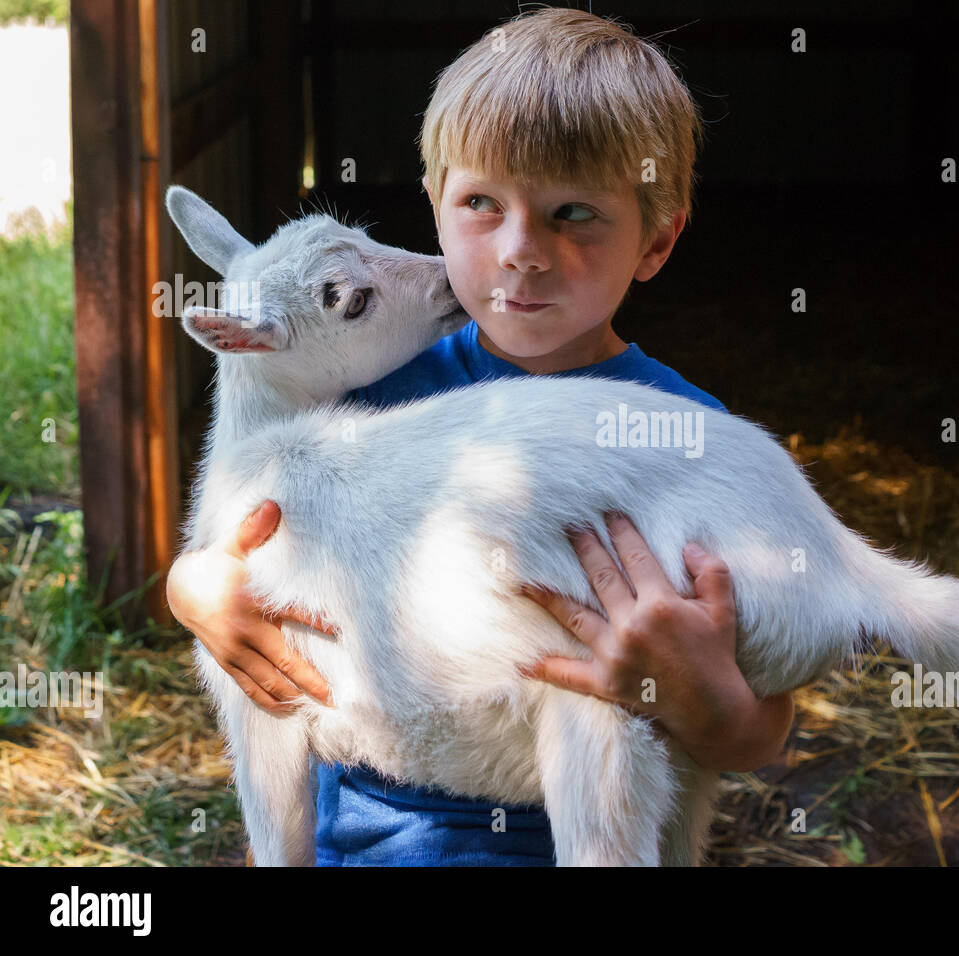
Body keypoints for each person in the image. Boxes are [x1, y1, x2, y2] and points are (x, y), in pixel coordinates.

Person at [165, 6, 795, 866]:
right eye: (480, 204)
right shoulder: (364, 395)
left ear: (657, 236)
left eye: (573, 212)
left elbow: (763, 719)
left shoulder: (684, 442)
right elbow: (250, 544)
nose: (520, 251)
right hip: (376, 835)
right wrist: (193, 591)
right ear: (434, 207)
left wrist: (710, 703)